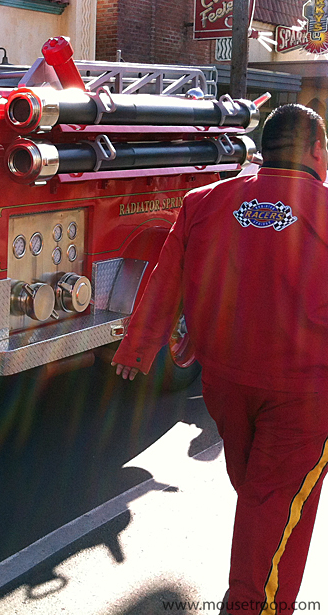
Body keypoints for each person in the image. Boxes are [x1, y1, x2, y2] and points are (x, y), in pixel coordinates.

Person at [112, 104, 328, 614]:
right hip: (304, 395)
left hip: (226, 384)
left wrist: (139, 346)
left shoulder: (205, 201)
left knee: (263, 499)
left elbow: (166, 275)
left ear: (262, 150)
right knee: (272, 505)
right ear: (317, 151)